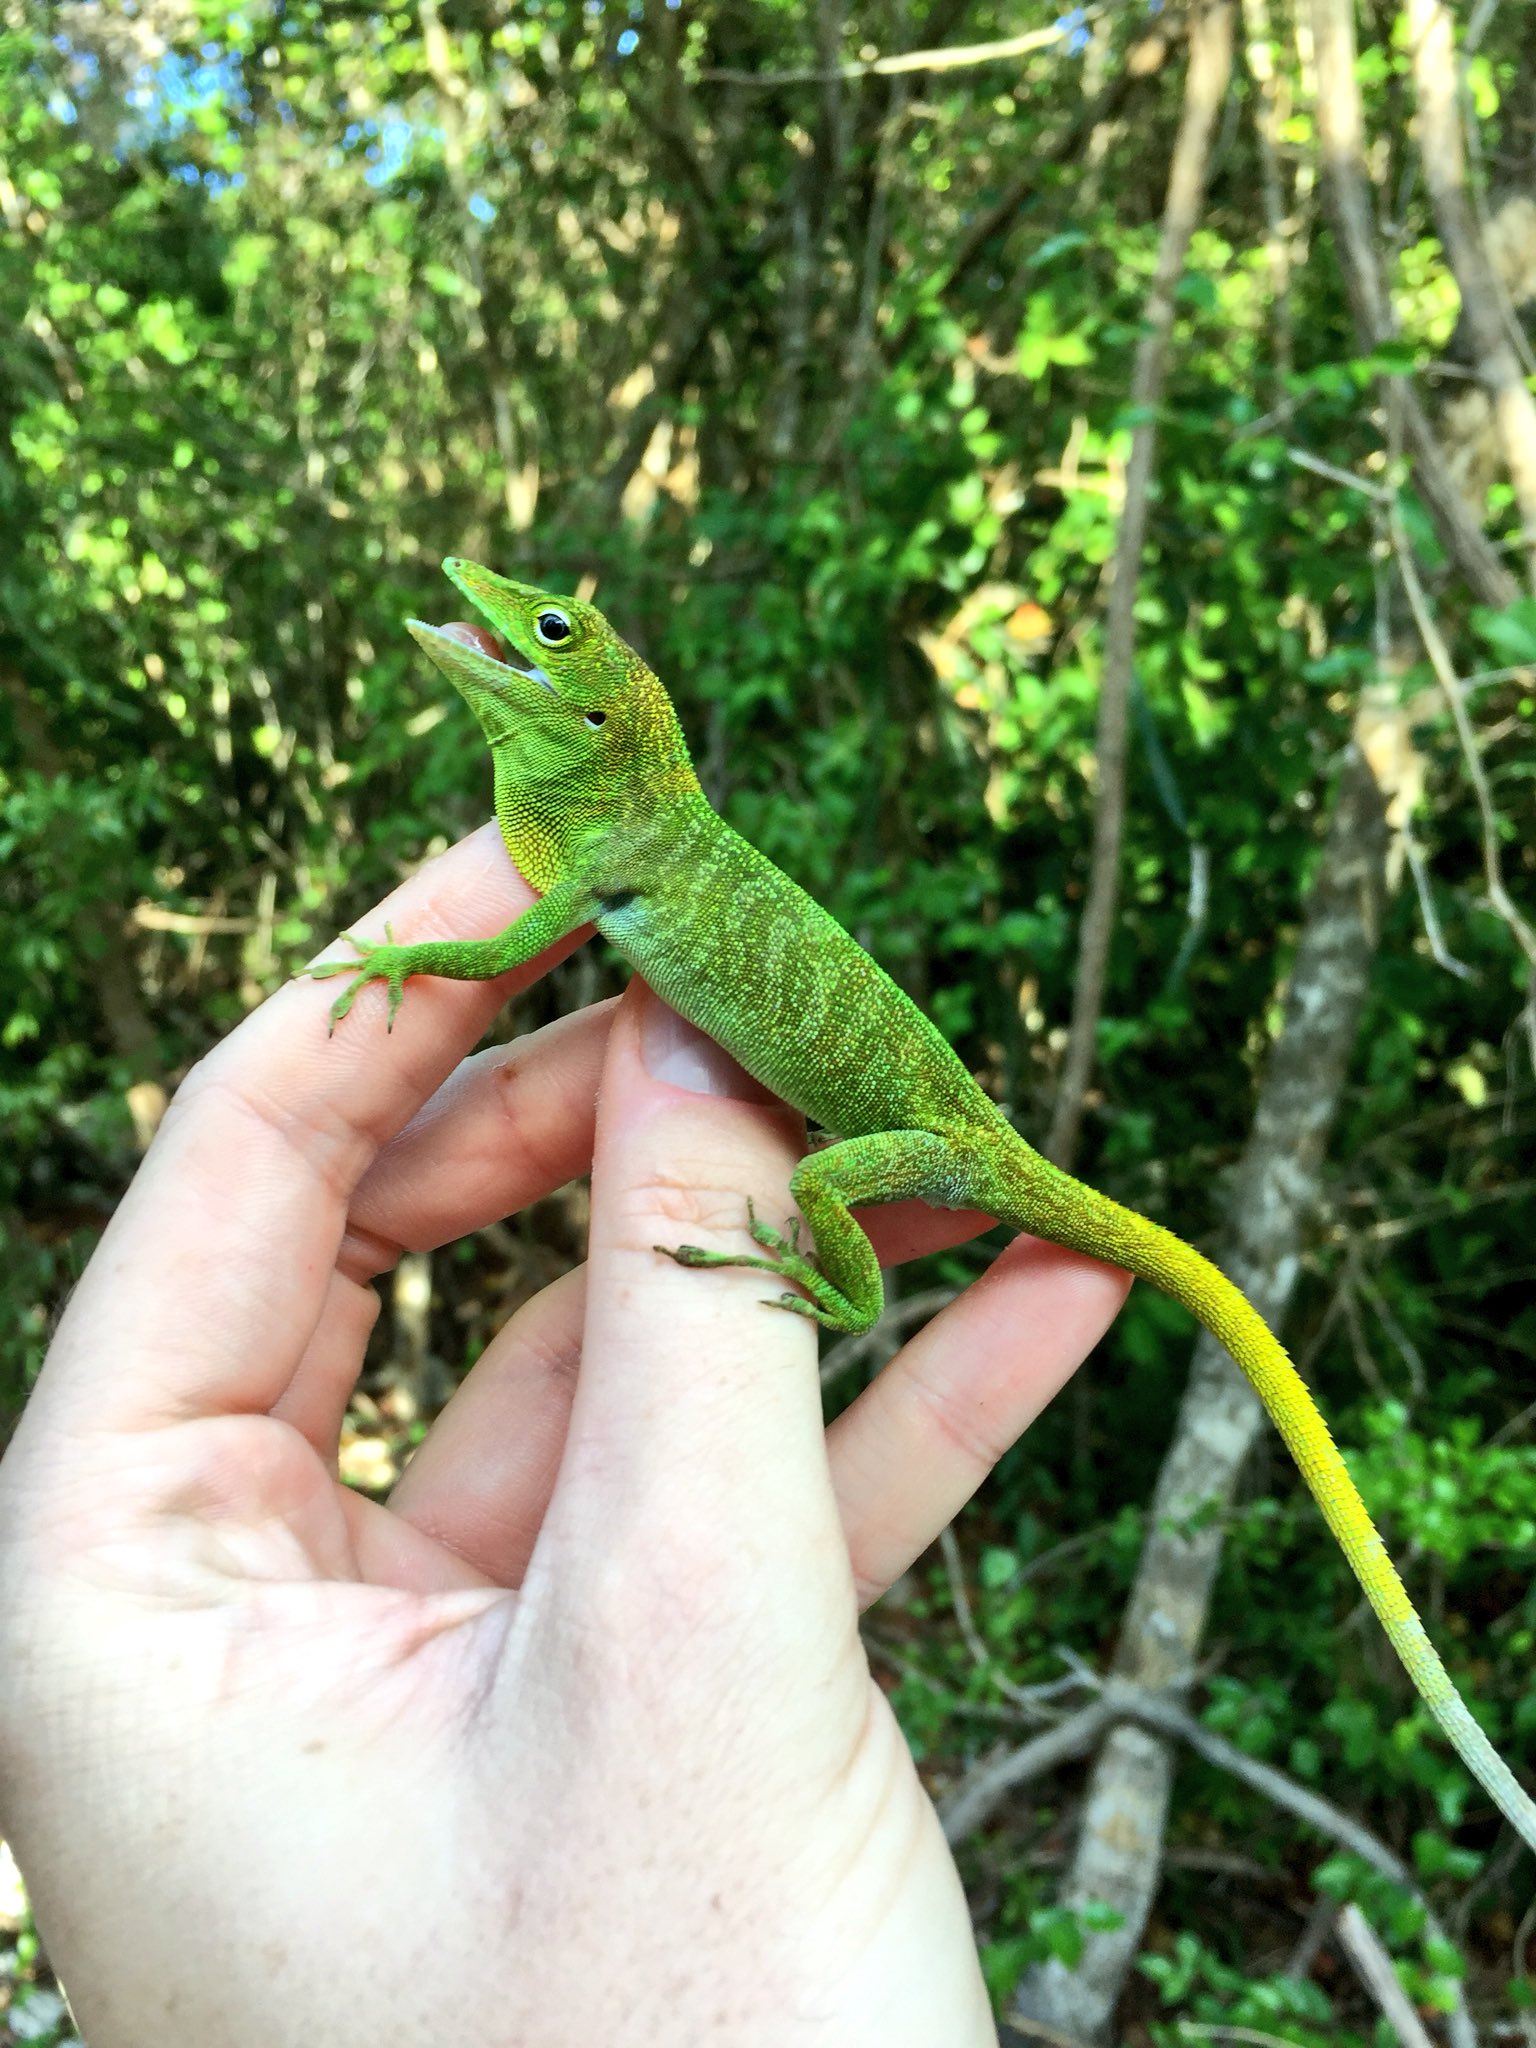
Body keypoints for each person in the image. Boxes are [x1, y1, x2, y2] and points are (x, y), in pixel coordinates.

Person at [0, 824, 1128, 2047]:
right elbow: (517, 937)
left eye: (544, 623)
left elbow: (498, 944)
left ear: (606, 723)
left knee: (808, 1189)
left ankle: (849, 1293)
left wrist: (400, 961)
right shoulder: (637, 840)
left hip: (951, 1150)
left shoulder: (638, 840)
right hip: (944, 1135)